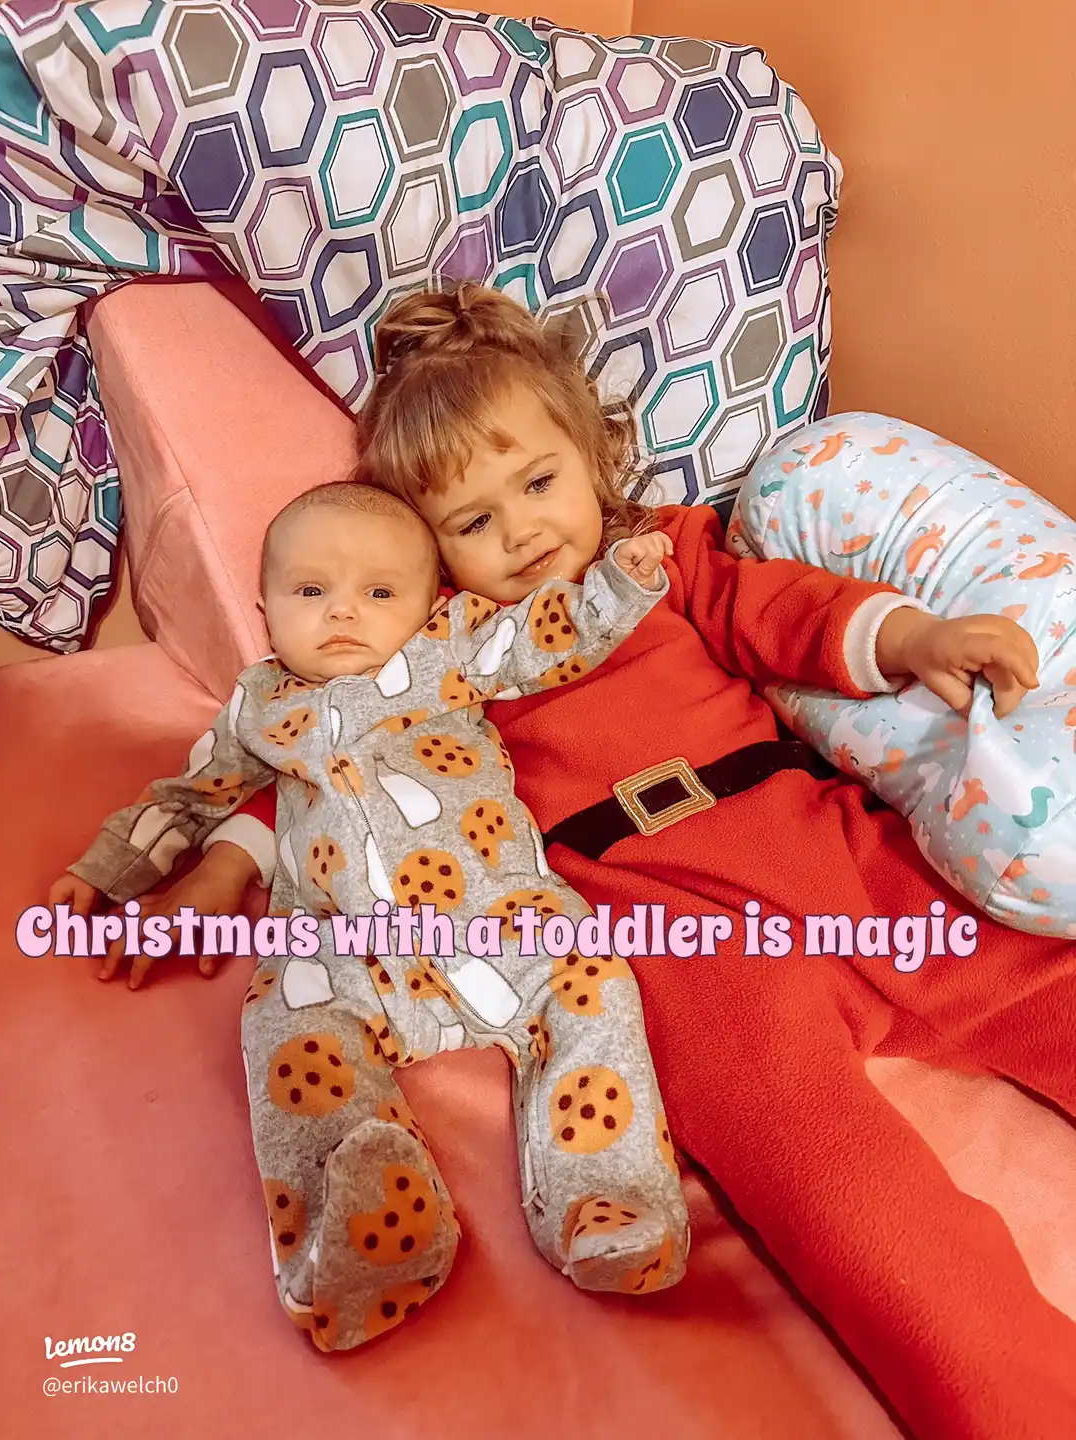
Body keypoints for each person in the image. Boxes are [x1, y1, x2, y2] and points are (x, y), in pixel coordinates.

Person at [93, 283, 1074, 1438]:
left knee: (1035, 984)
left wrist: (912, 636)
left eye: (539, 483)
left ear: (591, 458)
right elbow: (328, 766)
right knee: (838, 1189)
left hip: (822, 839)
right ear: (430, 553)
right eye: (471, 520)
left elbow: (782, 609)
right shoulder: (445, 658)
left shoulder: (660, 557)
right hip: (675, 941)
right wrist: (229, 860)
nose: (519, 533)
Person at [49, 480, 690, 1350]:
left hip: (502, 916)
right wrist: (112, 867)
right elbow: (193, 794)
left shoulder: (448, 649)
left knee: (594, 982)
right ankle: (373, 1224)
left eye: (379, 592)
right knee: (286, 1026)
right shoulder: (259, 707)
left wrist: (620, 582)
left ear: (427, 602)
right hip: (342, 946)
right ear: (266, 604)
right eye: (311, 592)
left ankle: (608, 1202)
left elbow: (539, 638)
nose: (342, 611)